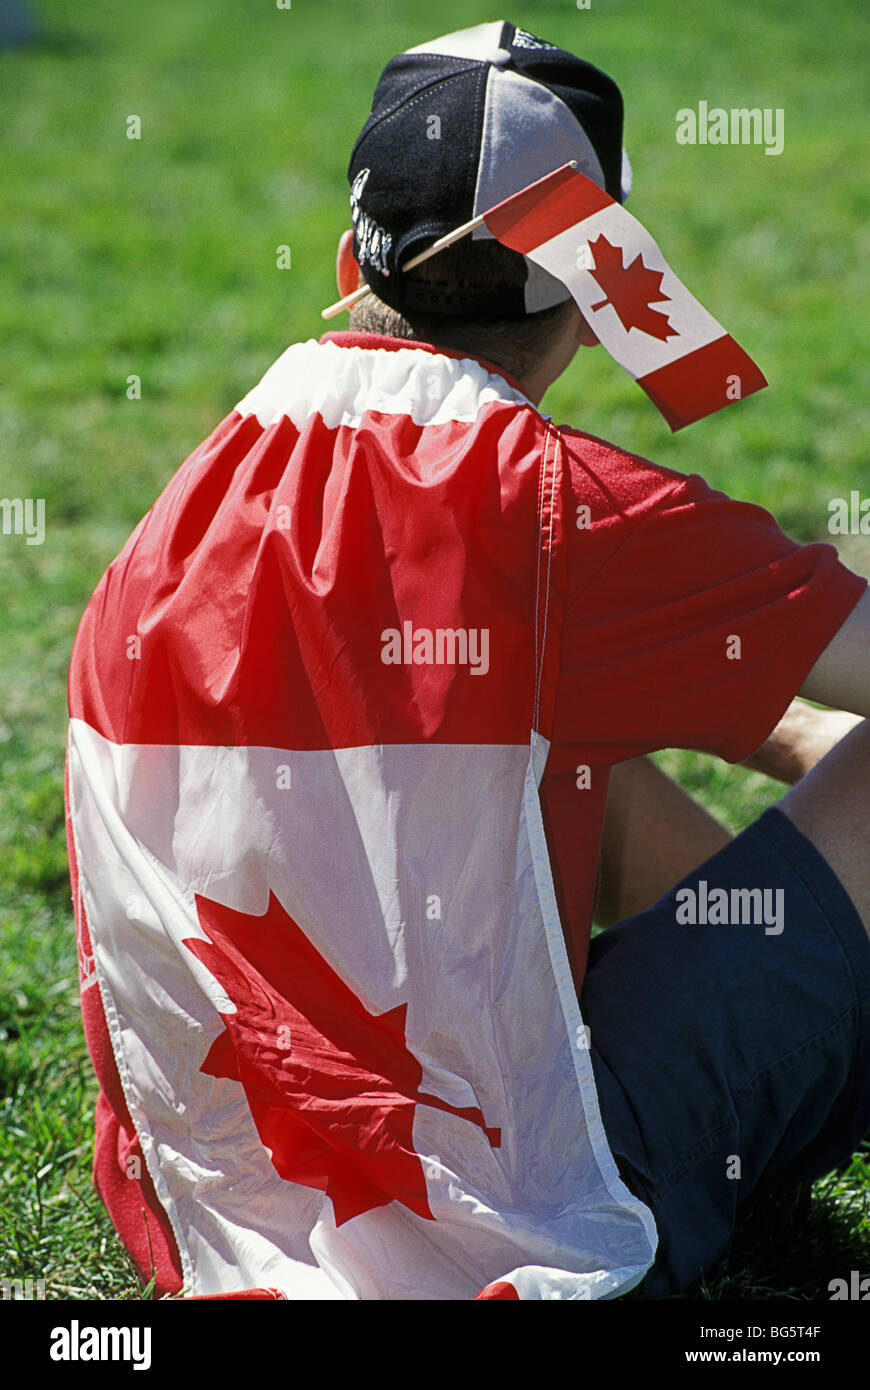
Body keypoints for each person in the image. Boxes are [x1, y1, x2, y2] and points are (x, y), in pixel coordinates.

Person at [65, 20, 870, 1301]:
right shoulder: (569, 512)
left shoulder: (178, 515)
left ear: (349, 260)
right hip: (522, 1221)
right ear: (601, 295)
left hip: (231, 1208)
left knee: (526, 740)